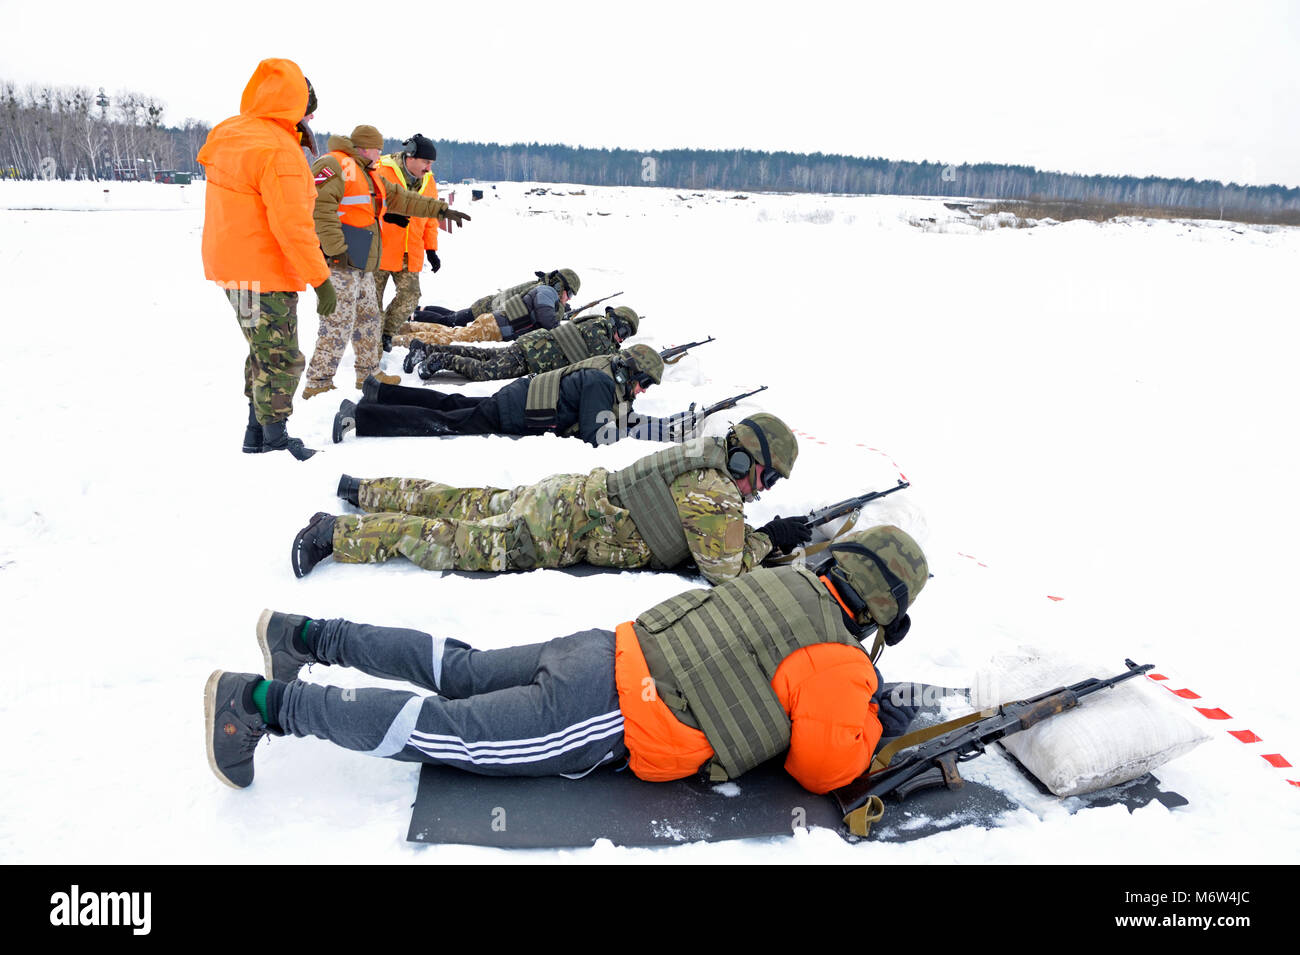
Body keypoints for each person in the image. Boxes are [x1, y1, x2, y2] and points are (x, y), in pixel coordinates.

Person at [205, 525, 929, 794]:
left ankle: (303, 635)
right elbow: (825, 766)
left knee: (455, 666)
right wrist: (871, 716)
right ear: (880, 610)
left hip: (599, 649)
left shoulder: (785, 577)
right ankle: (260, 706)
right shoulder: (842, 662)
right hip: (608, 714)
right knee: (445, 728)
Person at [290, 413, 814, 584]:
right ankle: (333, 533)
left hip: (564, 494)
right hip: (557, 529)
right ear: (745, 461)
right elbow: (725, 573)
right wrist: (768, 541)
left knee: (464, 502)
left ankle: (365, 490)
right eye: (765, 480)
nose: (760, 491)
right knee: (450, 540)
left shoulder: (701, 455)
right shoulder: (716, 493)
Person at [197, 58, 336, 461]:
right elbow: (292, 225)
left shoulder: (230, 133)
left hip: (231, 269)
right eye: (309, 110)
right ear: (296, 106)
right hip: (266, 269)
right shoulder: (279, 150)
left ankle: (255, 433)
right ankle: (276, 441)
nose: (310, 118)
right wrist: (320, 279)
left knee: (261, 350)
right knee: (280, 356)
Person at [301, 125, 470, 399]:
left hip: (362, 260)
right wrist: (335, 249)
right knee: (337, 323)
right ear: (365, 148)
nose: (381, 154)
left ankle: (369, 374)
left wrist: (440, 209)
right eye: (377, 149)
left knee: (369, 318)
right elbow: (320, 209)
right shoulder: (334, 164)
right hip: (340, 261)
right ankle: (318, 381)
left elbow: (402, 198)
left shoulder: (369, 174)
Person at [330, 343, 664, 446]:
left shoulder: (607, 374)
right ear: (631, 372)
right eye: (644, 382)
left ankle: (379, 393)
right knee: (446, 422)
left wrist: (662, 426)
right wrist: (630, 433)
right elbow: (595, 435)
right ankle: (357, 416)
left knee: (453, 404)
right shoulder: (601, 383)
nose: (641, 391)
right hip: (516, 411)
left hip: (520, 398)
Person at [403, 305, 640, 382]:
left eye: (625, 335)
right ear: (614, 321)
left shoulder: (599, 327)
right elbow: (603, 356)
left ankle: (425, 348)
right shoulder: (599, 328)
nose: (621, 337)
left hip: (532, 350)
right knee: (485, 371)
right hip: (532, 355)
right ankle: (438, 359)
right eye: (622, 330)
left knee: (481, 354)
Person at [373, 134, 441, 353]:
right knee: (372, 302)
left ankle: (385, 333)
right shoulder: (382, 170)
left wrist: (431, 249)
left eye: (431, 164)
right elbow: (366, 205)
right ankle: (369, 344)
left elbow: (431, 217)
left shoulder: (428, 180)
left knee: (410, 296)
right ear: (410, 157)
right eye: (426, 162)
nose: (429, 168)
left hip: (409, 250)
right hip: (379, 250)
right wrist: (386, 216)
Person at [390, 269, 579, 348]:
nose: (567, 298)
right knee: (448, 336)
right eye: (568, 294)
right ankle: (400, 340)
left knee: (450, 330)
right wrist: (560, 330)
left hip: (493, 322)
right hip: (494, 327)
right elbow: (546, 319)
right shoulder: (547, 291)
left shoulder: (543, 290)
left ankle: (406, 328)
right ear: (560, 286)